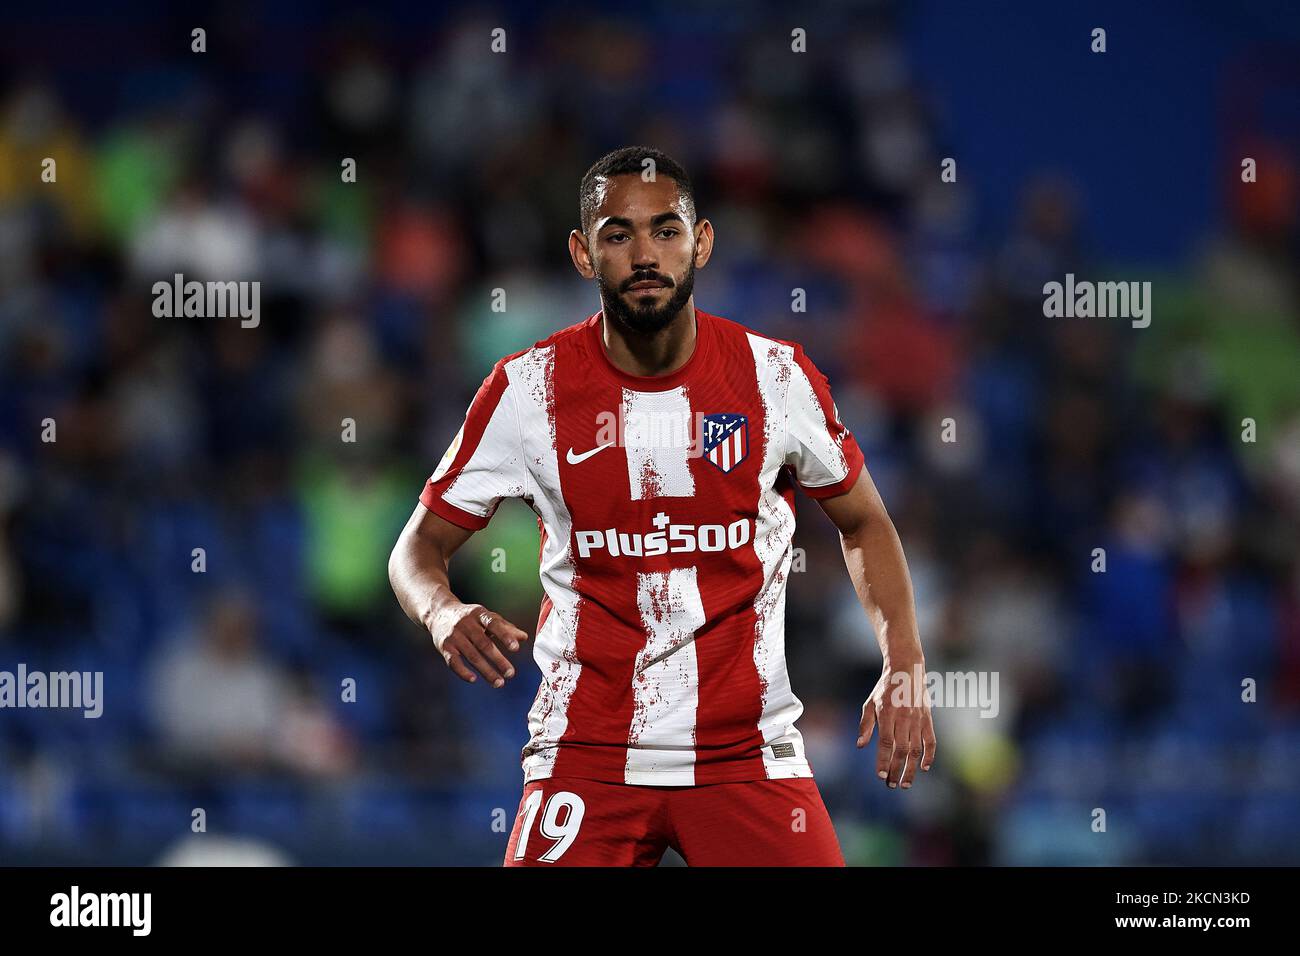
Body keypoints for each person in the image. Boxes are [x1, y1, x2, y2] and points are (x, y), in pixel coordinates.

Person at [389, 146, 935, 866]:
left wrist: (903, 661)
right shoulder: (526, 392)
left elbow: (864, 519)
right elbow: (414, 552)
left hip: (745, 755)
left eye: (666, 231)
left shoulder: (776, 379)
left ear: (701, 242)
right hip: (584, 754)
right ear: (584, 254)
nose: (645, 254)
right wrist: (442, 610)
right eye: (618, 235)